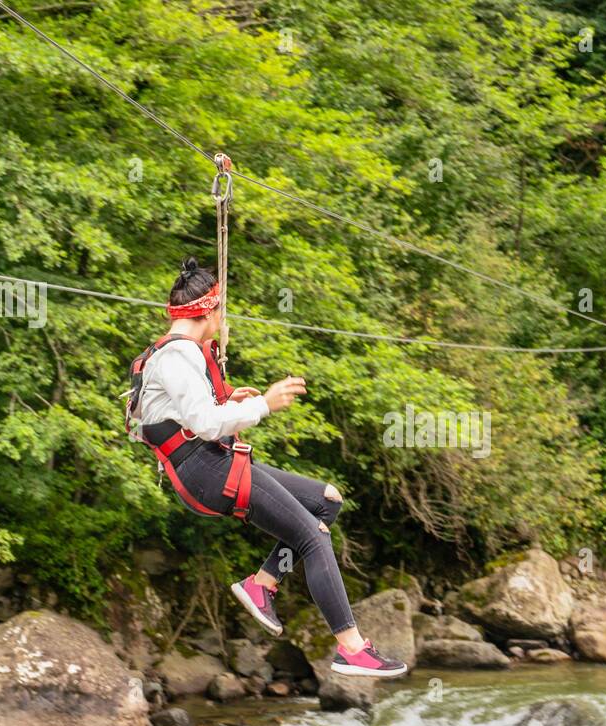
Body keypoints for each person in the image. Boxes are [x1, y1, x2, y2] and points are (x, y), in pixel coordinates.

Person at [132, 257, 407, 678]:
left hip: (209, 463)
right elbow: (204, 426)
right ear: (209, 311)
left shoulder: (170, 353)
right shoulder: (178, 356)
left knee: (327, 502)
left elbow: (183, 414)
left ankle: (260, 585)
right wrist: (264, 404)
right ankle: (351, 648)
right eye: (221, 311)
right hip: (205, 469)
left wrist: (227, 402)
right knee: (314, 538)